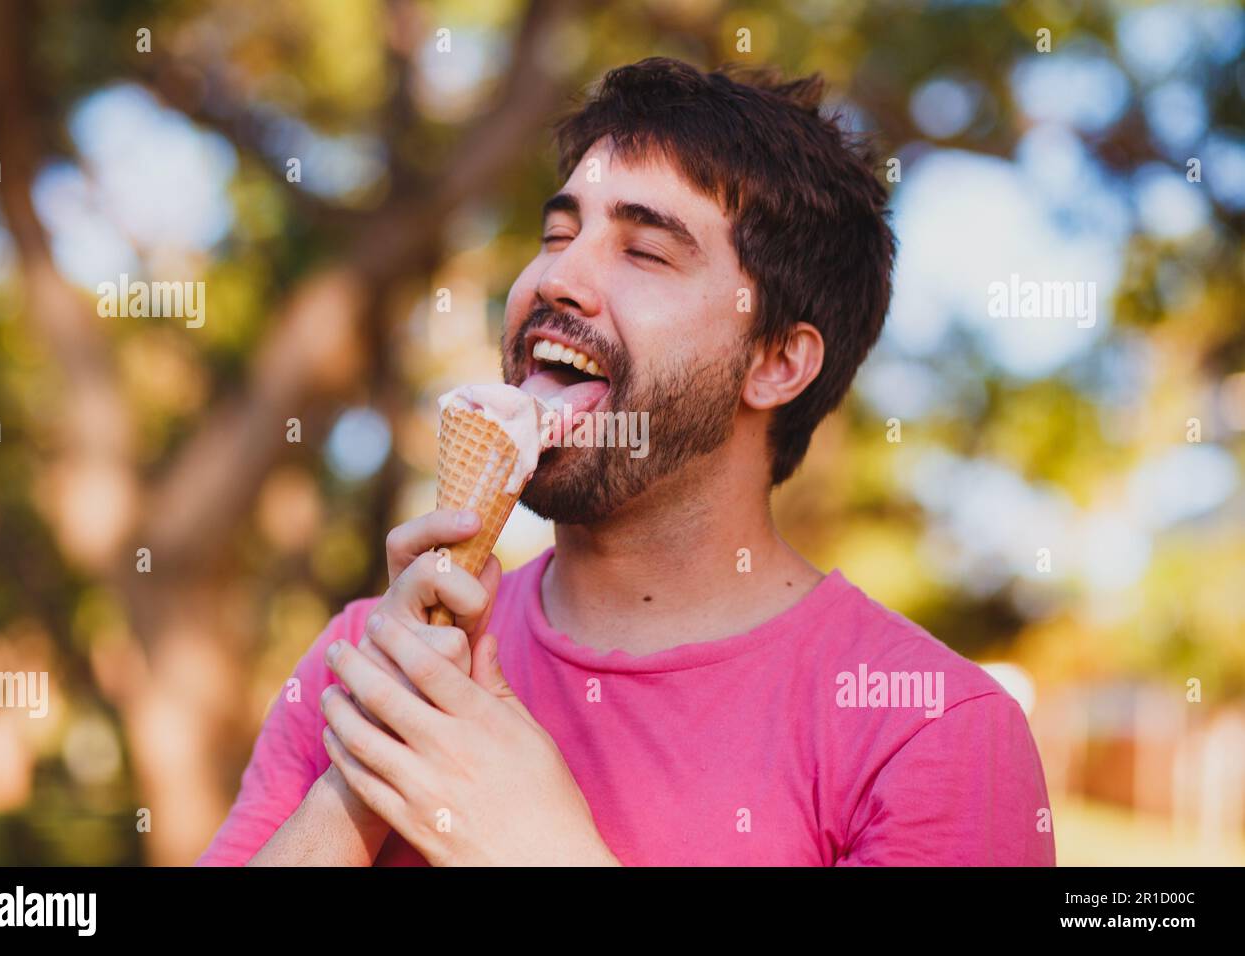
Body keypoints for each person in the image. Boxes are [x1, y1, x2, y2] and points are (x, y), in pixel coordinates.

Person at [197, 57, 1055, 867]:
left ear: (776, 363)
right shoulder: (367, 654)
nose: (556, 277)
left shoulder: (932, 731)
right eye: (558, 233)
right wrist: (364, 771)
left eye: (645, 251)